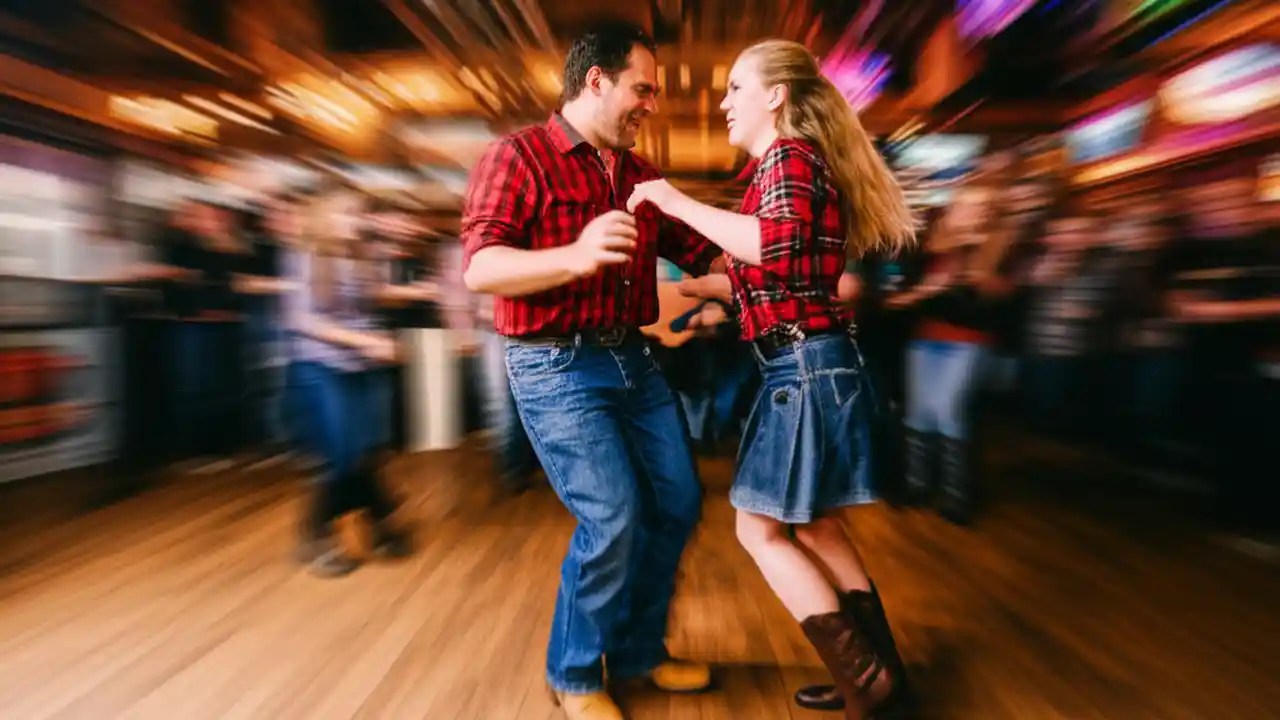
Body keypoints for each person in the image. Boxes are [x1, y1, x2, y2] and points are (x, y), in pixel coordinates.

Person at [626, 39, 916, 719]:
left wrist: (672, 200)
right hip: (818, 364)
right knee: (814, 527)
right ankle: (881, 676)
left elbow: (773, 245)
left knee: (757, 530)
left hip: (805, 369)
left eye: (734, 89)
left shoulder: (787, 157)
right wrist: (697, 289)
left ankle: (866, 682)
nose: (723, 102)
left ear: (775, 96)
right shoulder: (784, 167)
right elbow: (777, 272)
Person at [460, 22, 721, 720]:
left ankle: (638, 652)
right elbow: (482, 268)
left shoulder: (639, 175)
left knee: (678, 503)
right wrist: (574, 256)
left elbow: (705, 250)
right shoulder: (517, 157)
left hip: (631, 357)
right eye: (643, 88)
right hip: (554, 364)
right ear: (596, 80)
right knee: (612, 517)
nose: (651, 105)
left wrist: (782, 262)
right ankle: (573, 674)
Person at [282, 189, 412, 578]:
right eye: (347, 214)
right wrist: (366, 341)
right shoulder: (306, 258)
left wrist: (416, 294)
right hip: (320, 366)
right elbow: (303, 321)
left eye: (358, 215)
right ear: (324, 218)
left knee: (366, 452)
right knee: (343, 452)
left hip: (360, 367)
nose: (356, 222)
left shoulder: (361, 259)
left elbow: (370, 302)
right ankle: (317, 533)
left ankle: (378, 521)